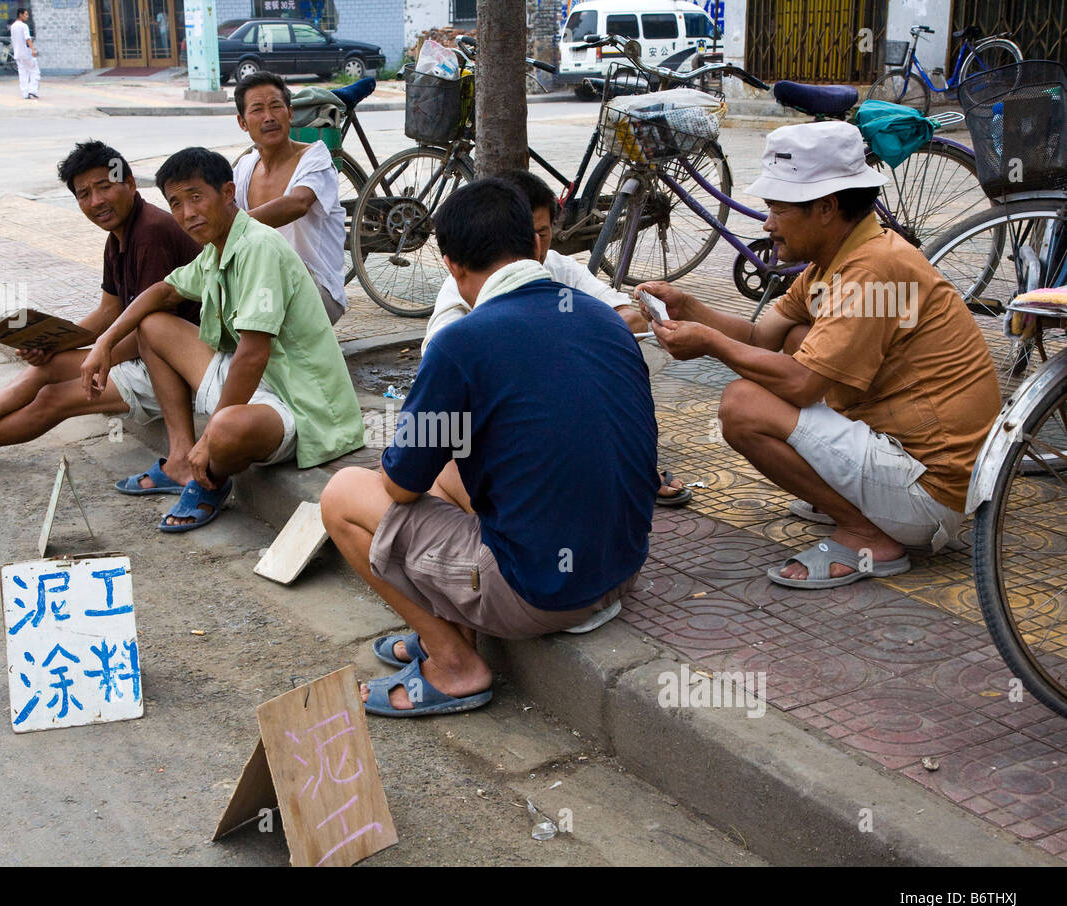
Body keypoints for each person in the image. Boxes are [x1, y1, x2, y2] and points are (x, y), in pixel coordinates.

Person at [320, 178, 659, 717]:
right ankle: (442, 626)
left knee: (344, 495)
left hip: (542, 594)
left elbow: (399, 486)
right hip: (621, 567)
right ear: (533, 244)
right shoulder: (602, 317)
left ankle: (454, 663)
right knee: (448, 475)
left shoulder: (463, 341)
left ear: (453, 268)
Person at [639, 121, 1001, 588]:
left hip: (930, 495)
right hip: (916, 471)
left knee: (742, 405)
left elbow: (803, 384)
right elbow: (761, 337)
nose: (767, 224)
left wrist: (709, 343)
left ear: (827, 208)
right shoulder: (838, 258)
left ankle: (868, 535)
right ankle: (861, 506)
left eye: (777, 210)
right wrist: (689, 307)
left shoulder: (875, 269)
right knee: (795, 339)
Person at [0, 141, 202, 479]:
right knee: (45, 369)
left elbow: (147, 335)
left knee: (52, 398)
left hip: (172, 370)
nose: (96, 201)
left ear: (130, 184)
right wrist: (55, 342)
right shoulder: (119, 237)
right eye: (83, 194)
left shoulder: (151, 232)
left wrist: (94, 354)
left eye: (104, 187)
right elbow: (109, 310)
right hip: (146, 357)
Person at [80, 147, 365, 532]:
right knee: (153, 325)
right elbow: (163, 291)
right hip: (252, 386)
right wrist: (105, 343)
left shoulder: (258, 246)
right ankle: (181, 459)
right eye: (176, 203)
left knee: (228, 429)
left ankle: (207, 479)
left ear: (228, 193)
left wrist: (210, 437)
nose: (187, 214)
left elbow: (252, 354)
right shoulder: (217, 248)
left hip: (296, 404)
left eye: (196, 197)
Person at [424, 167, 694, 508]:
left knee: (364, 489)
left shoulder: (560, 269)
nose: (535, 248)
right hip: (508, 439)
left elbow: (630, 318)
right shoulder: (457, 309)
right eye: (523, 233)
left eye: (542, 233)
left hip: (538, 496)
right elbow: (445, 375)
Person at [230, 70, 348, 324]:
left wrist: (232, 229)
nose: (269, 117)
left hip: (317, 289)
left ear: (290, 113)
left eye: (276, 107)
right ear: (242, 122)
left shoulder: (315, 158)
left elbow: (298, 203)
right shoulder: (243, 168)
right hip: (260, 286)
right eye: (258, 110)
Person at [11, 8, 39, 100]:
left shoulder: (13, 26)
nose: (27, 16)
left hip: (17, 53)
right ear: (20, 14)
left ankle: (25, 93)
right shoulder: (24, 26)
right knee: (35, 71)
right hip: (26, 52)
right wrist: (33, 50)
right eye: (26, 14)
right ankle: (33, 90)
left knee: (22, 73)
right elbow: (28, 39)